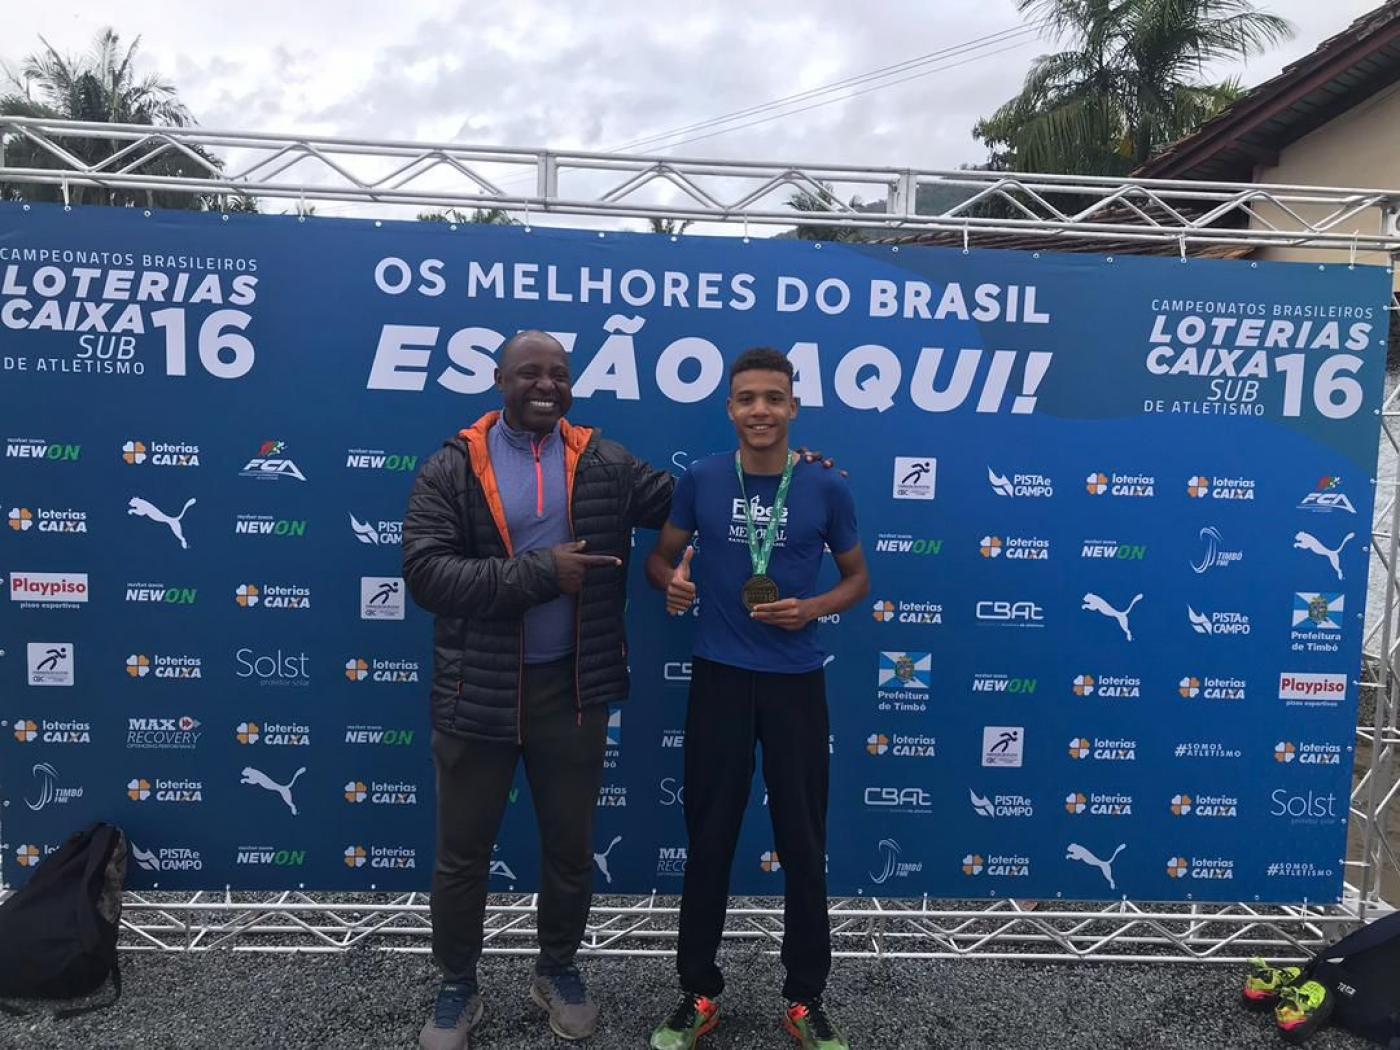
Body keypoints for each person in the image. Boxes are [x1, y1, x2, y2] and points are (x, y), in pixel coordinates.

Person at [403, 330, 675, 1049]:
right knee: (462, 855)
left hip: (572, 690)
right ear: (500, 381)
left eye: (559, 373)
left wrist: (773, 467)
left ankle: (557, 970)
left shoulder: (606, 462)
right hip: (477, 690)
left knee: (569, 849)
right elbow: (426, 574)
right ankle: (457, 986)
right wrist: (541, 574)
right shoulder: (453, 466)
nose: (547, 384)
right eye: (530, 372)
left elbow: (688, 502)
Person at [644, 347, 870, 1050]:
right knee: (709, 838)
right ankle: (697, 992)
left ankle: (805, 998)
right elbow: (660, 557)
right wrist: (671, 583)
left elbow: (857, 579)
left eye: (774, 397)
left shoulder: (826, 487)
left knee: (803, 841)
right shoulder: (703, 478)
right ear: (730, 409)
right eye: (747, 398)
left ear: (793, 407)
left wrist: (812, 609)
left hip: (796, 682)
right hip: (720, 677)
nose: (761, 410)